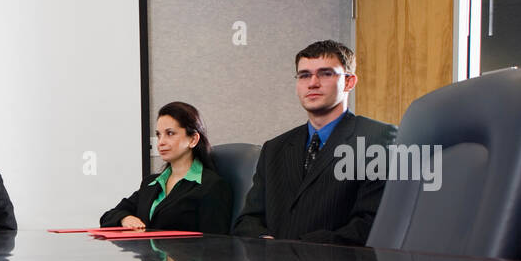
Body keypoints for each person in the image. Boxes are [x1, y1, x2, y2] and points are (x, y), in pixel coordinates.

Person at [233, 39, 397, 244]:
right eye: (304, 75)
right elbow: (247, 220)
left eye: (326, 73)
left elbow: (369, 226)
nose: (312, 83)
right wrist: (264, 241)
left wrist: (295, 250)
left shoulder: (379, 139)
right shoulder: (274, 148)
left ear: (349, 82)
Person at [99, 101, 232, 233]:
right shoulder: (150, 184)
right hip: (146, 254)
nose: (161, 142)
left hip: (184, 255)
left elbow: (216, 245)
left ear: (193, 139)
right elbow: (108, 217)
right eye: (158, 135)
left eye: (170, 133)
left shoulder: (212, 186)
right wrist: (125, 218)